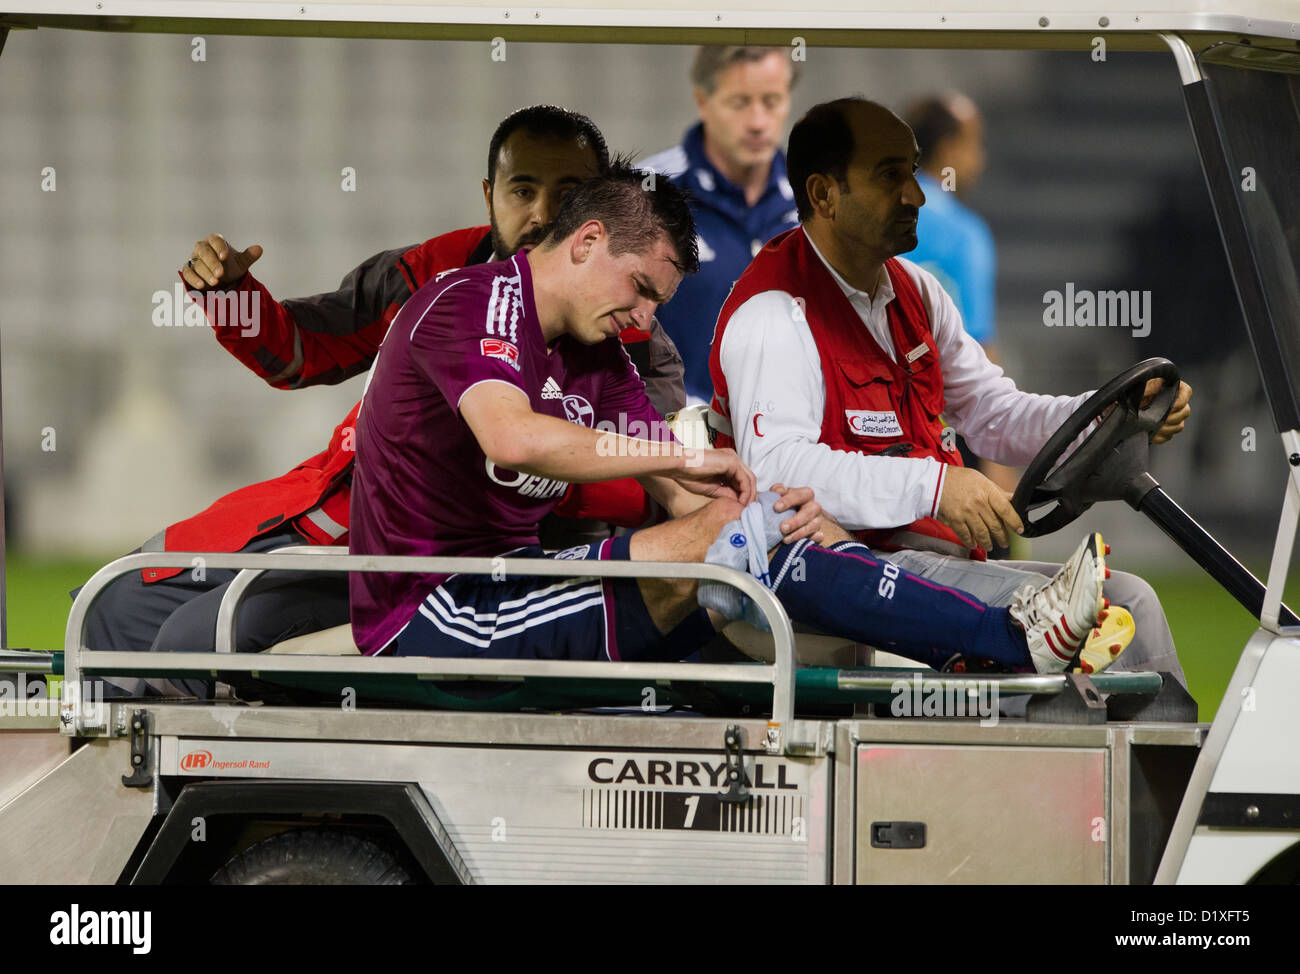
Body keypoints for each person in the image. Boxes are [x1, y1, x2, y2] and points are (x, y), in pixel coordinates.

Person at [351, 159, 1122, 677]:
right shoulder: (475, 300)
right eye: (640, 288)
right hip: (438, 609)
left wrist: (775, 511)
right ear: (587, 241)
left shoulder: (598, 355)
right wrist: (693, 469)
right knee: (740, 537)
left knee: (758, 528)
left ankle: (1004, 643)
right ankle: (1011, 640)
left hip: (514, 587)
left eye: (657, 302)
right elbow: (511, 437)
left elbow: (683, 493)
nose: (643, 317)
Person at [82, 106, 682, 696]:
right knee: (116, 602)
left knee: (196, 638)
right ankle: (126, 788)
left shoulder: (624, 332)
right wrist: (230, 296)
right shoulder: (436, 271)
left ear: (595, 212)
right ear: (489, 194)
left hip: (472, 559)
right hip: (332, 512)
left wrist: (527, 464)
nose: (542, 211)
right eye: (521, 189)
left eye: (567, 189)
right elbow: (303, 351)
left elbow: (638, 481)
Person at [709, 97, 1193, 680]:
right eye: (890, 176)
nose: (916, 195)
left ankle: (1161, 769)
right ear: (823, 195)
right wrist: (936, 487)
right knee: (1120, 609)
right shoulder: (774, 313)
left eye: (912, 171)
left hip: (929, 560)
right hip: (858, 573)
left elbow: (994, 412)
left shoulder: (914, 292)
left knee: (1132, 600)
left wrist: (1103, 414)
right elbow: (777, 474)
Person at [639, 46, 800, 401]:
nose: (758, 122)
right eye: (740, 103)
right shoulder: (648, 193)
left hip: (792, 443)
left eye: (771, 101)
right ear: (702, 101)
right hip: (678, 439)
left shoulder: (815, 199)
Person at [904, 93, 1019, 524]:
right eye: (975, 144)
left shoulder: (877, 219)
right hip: (948, 422)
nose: (981, 159)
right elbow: (979, 343)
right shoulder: (964, 233)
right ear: (950, 149)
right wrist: (998, 453)